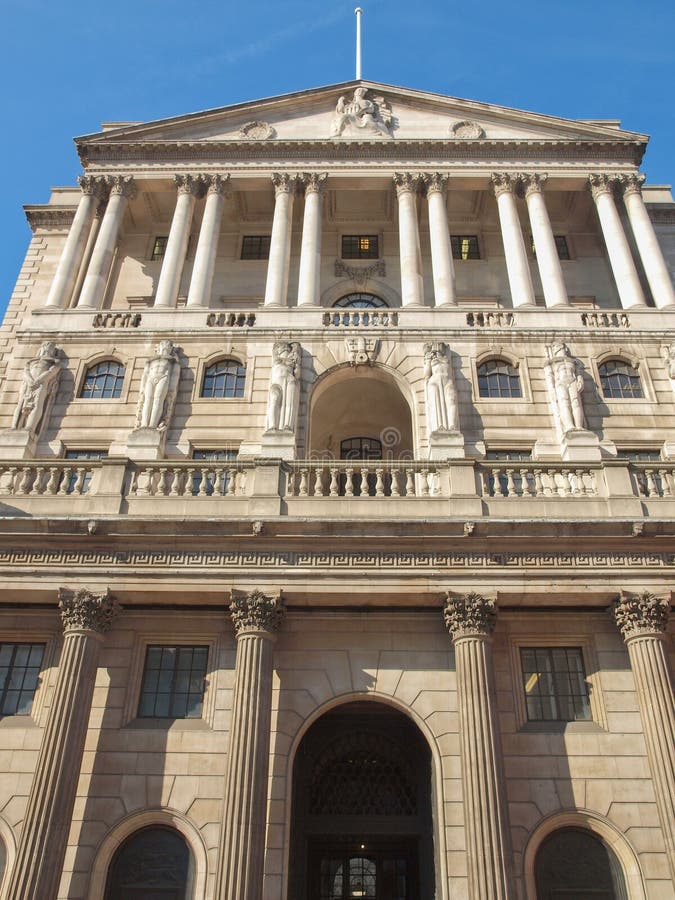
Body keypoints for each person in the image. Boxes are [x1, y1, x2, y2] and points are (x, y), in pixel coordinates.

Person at [12, 341, 62, 436]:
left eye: (50, 347)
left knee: (37, 404)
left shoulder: (54, 362)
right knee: (21, 403)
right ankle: (14, 426)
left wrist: (39, 380)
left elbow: (52, 371)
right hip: (28, 384)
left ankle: (30, 427)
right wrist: (30, 380)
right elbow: (25, 371)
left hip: (41, 384)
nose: (47, 348)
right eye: (46, 346)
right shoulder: (32, 361)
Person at [135, 340, 181, 430]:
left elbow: (175, 374)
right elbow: (145, 374)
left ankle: (153, 424)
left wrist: (172, 388)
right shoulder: (151, 360)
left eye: (167, 346)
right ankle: (144, 424)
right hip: (151, 378)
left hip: (163, 377)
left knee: (158, 400)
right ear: (159, 348)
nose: (165, 348)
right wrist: (142, 387)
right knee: (147, 401)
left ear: (170, 349)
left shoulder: (172, 360)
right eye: (163, 346)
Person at [423, 342, 459, 433]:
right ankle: (438, 426)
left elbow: (452, 374)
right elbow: (426, 375)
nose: (436, 352)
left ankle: (452, 426)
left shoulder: (447, 357)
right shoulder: (431, 359)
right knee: (436, 402)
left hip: (448, 382)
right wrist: (427, 360)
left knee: (451, 401)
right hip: (434, 382)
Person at [266, 342, 300, 432]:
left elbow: (297, 374)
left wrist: (297, 364)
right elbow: (276, 359)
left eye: (287, 348)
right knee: (274, 400)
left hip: (290, 380)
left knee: (289, 403)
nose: (285, 349)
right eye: (283, 348)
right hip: (277, 382)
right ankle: (272, 426)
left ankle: (287, 426)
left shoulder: (293, 359)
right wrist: (290, 360)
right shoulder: (277, 358)